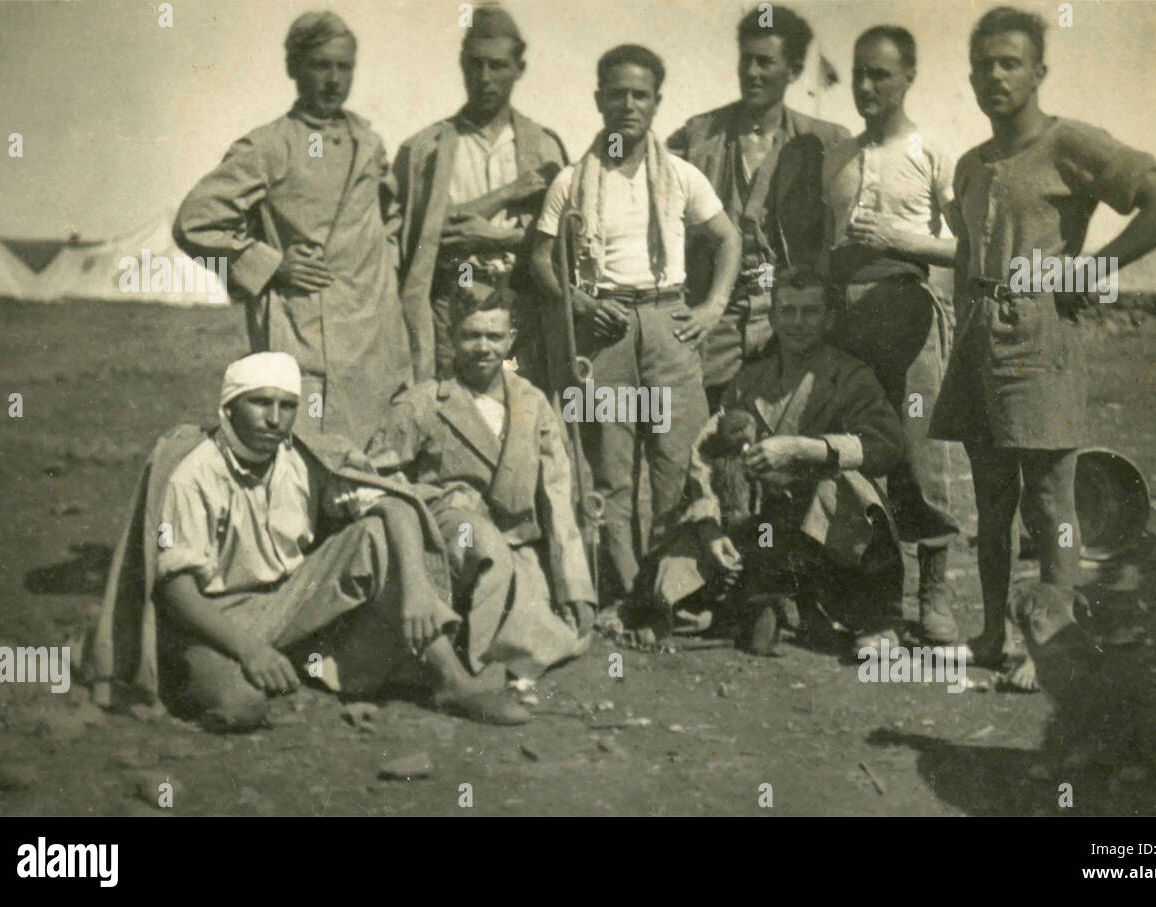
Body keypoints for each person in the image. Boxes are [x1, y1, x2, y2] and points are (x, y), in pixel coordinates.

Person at [931, 7, 1156, 690]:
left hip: (1041, 335)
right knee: (990, 500)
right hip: (979, 335)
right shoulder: (969, 165)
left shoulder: (1071, 142)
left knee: (1049, 499)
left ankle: (1057, 642)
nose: (995, 75)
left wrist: (1095, 266)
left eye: (1010, 62)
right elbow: (966, 251)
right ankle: (991, 633)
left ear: (1039, 71)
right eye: (983, 63)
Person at [89, 352, 532, 730]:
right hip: (214, 614)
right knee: (240, 705)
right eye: (259, 403)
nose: (273, 418)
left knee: (377, 530)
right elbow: (176, 591)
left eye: (285, 406)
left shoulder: (301, 458)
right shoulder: (196, 472)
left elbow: (394, 507)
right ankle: (205, 669)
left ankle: (452, 682)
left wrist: (417, 590)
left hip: (286, 599)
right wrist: (249, 650)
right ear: (229, 407)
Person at [530, 45, 742, 604]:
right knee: (612, 470)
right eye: (617, 93)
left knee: (680, 463)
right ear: (599, 99)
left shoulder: (680, 175)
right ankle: (624, 593)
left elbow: (727, 238)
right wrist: (577, 302)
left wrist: (713, 306)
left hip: (667, 323)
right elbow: (538, 260)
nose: (628, 104)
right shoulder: (573, 182)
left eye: (640, 94)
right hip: (605, 330)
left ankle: (678, 594)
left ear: (656, 102)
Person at [174, 11, 408, 447]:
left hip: (375, 338)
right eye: (321, 66)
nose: (334, 80)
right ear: (293, 68)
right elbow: (195, 222)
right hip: (307, 335)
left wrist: (382, 270)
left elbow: (389, 219)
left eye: (344, 67)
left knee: (378, 466)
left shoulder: (369, 143)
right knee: (305, 464)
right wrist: (272, 265)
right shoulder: (270, 144)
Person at [646, 274, 906, 654]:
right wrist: (708, 525)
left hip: (823, 522)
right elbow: (709, 451)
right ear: (774, 318)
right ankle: (766, 601)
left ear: (830, 319)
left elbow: (887, 445)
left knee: (849, 491)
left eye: (810, 312)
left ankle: (872, 619)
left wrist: (805, 449)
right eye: (788, 311)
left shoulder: (850, 375)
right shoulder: (751, 378)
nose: (798, 322)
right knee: (672, 588)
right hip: (763, 521)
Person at [365, 286, 595, 680]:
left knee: (557, 639)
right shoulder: (425, 402)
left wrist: (574, 585)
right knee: (479, 545)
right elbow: (378, 476)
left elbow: (557, 496)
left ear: (510, 339)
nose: (483, 347)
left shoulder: (532, 402)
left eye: (494, 336)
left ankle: (486, 649)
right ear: (452, 338)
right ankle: (468, 669)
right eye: (471, 336)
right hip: (450, 545)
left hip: (519, 547)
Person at [822, 26, 961, 643]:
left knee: (918, 452)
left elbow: (968, 248)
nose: (867, 86)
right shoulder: (836, 156)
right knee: (860, 453)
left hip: (909, 314)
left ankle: (934, 594)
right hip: (849, 319)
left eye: (880, 74)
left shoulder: (933, 151)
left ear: (908, 77)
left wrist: (899, 242)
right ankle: (879, 598)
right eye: (858, 74)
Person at [668, 5, 850, 409]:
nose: (752, 72)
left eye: (765, 61)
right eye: (746, 59)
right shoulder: (699, 136)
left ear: (795, 69)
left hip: (794, 318)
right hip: (716, 317)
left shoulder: (826, 141)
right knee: (706, 437)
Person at [392, 4, 568, 383]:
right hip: (455, 299)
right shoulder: (426, 149)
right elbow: (426, 233)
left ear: (519, 69)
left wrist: (497, 235)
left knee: (522, 410)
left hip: (520, 297)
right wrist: (509, 193)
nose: (485, 77)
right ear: (462, 65)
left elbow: (559, 240)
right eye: (476, 64)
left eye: (498, 66)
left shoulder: (543, 146)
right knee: (452, 411)